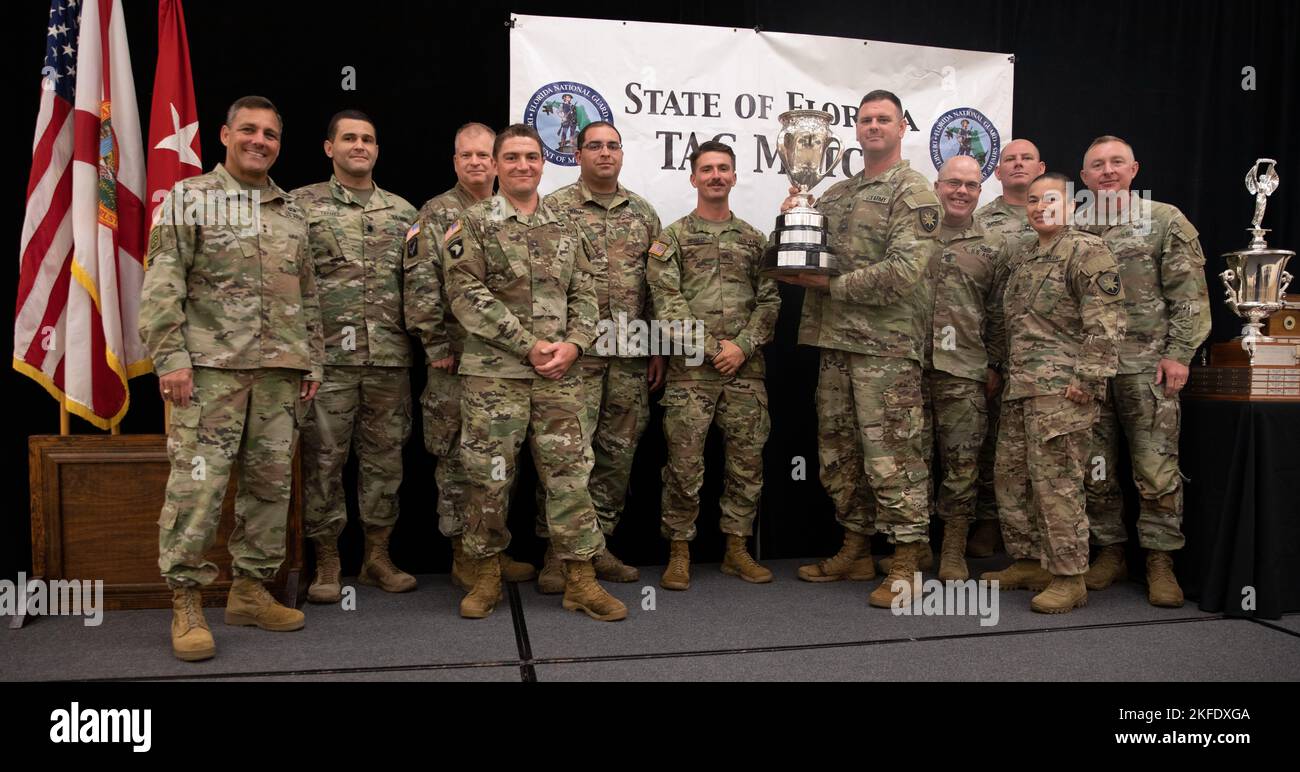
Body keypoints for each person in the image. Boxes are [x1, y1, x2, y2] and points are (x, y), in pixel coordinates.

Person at [141, 95, 324, 661]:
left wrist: (312, 358)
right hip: (209, 374)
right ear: (224, 134)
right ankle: (187, 598)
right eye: (249, 129)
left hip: (279, 375)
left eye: (270, 133)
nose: (259, 140)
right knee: (199, 487)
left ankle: (250, 590)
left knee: (270, 488)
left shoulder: (291, 210)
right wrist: (169, 357)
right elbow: (162, 282)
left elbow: (308, 292)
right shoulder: (190, 199)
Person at [443, 123, 626, 622]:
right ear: (497, 166)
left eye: (532, 156)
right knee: (488, 479)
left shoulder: (568, 226)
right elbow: (466, 296)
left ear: (544, 164)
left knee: (571, 477)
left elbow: (586, 294)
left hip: (560, 376)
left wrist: (575, 343)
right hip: (495, 377)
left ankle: (580, 579)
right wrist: (527, 345)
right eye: (513, 157)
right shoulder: (473, 223)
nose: (523, 165)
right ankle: (484, 576)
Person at [778, 90, 942, 608]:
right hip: (834, 345)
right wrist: (791, 214)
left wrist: (831, 286)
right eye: (865, 119)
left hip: (885, 350)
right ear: (856, 130)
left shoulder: (914, 192)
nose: (873, 126)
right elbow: (800, 253)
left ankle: (907, 559)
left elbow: (903, 273)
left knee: (892, 456)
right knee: (840, 455)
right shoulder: (836, 194)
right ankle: (854, 547)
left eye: (883, 119)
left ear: (901, 128)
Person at [1076, 136, 1211, 607]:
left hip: (1147, 369)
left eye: (1116, 162)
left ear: (1134, 169)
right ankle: (1110, 553)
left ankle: (1160, 560)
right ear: (1084, 177)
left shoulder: (1163, 220)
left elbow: (1189, 294)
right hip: (1091, 372)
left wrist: (1179, 353)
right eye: (1097, 165)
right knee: (1095, 471)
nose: (1107, 171)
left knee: (1155, 470)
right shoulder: (1074, 228)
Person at [983, 172, 1126, 613]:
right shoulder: (1024, 256)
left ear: (1071, 205)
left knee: (1058, 485)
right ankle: (1030, 561)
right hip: (1021, 387)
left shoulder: (1087, 250)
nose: (1040, 207)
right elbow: (1009, 323)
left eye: (1050, 200)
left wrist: (1089, 378)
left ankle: (1069, 576)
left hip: (1064, 391)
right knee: (1014, 481)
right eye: (1032, 201)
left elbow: (1106, 319)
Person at [292, 110, 418, 603]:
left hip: (389, 360)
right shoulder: (299, 206)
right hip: (328, 363)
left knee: (385, 462)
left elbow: (419, 287)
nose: (359, 146)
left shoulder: (405, 213)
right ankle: (327, 559)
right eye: (348, 138)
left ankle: (377, 557)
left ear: (377, 149)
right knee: (324, 461)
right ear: (329, 148)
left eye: (367, 138)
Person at [404, 122, 537, 589]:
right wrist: (436, 345)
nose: (477, 162)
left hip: (506, 362)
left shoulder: (514, 211)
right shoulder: (437, 213)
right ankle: (463, 551)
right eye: (467, 156)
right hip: (456, 361)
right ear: (455, 161)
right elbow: (421, 284)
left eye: (484, 154)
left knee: (499, 460)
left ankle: (492, 550)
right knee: (458, 458)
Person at [646, 141, 780, 591]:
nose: (716, 176)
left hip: (745, 371)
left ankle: (735, 550)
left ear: (735, 177)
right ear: (693, 178)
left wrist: (741, 346)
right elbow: (666, 301)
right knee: (684, 466)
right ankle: (680, 551)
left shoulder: (754, 239)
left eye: (724, 168)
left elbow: (770, 300)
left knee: (747, 464)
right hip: (691, 374)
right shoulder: (674, 237)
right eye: (707, 169)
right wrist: (708, 347)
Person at [536, 121, 664, 591]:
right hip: (577, 357)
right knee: (569, 456)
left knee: (617, 454)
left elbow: (655, 286)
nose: (605, 154)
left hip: (628, 356)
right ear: (577, 153)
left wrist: (657, 347)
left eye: (612, 146)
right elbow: (544, 285)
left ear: (622, 154)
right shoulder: (554, 210)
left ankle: (599, 547)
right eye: (595, 146)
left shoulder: (644, 213)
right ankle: (557, 553)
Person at [923, 155, 1017, 582]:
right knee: (912, 463)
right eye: (953, 183)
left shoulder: (994, 246)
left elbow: (1000, 313)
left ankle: (954, 551)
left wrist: (995, 363)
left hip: (964, 370)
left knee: (962, 466)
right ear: (937, 185)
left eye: (971, 185)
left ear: (981, 192)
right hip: (909, 367)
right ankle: (917, 547)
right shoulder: (911, 236)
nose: (961, 191)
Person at [969, 138, 1044, 556]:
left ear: (1040, 166)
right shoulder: (979, 222)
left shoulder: (1064, 218)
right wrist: (989, 358)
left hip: (1048, 356)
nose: (1017, 165)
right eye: (1009, 160)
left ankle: (1043, 537)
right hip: (994, 351)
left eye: (1025, 159)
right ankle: (990, 523)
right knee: (991, 443)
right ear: (996, 172)